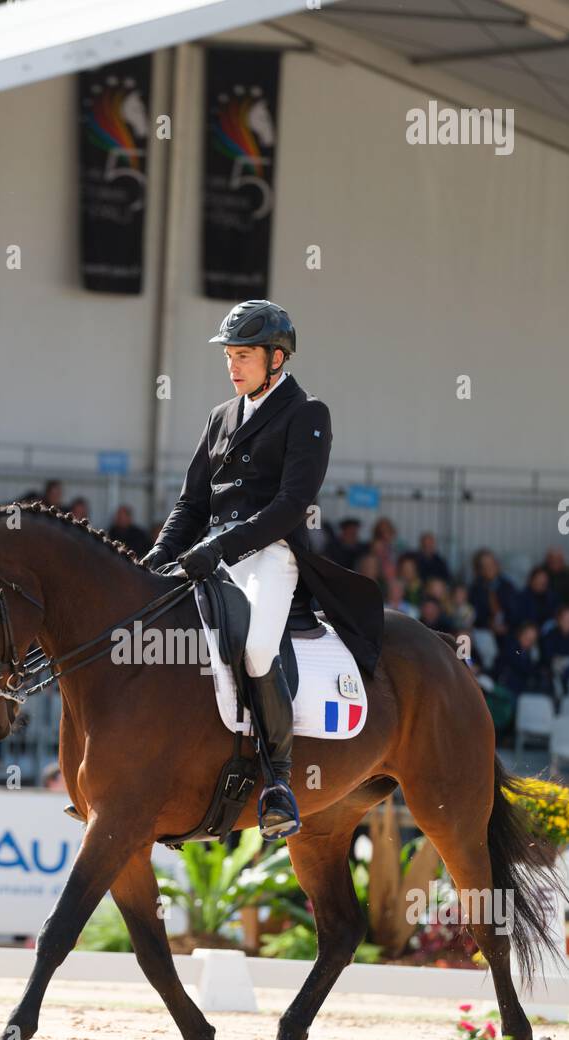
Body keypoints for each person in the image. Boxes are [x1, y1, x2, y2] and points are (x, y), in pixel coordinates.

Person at [141, 299, 383, 839]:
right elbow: (190, 504)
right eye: (229, 355)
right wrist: (155, 560)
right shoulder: (221, 416)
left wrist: (220, 547)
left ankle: (277, 783)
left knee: (255, 646)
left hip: (271, 555)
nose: (233, 365)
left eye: (243, 355)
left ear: (277, 358)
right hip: (213, 553)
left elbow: (291, 505)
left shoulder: (307, 413)